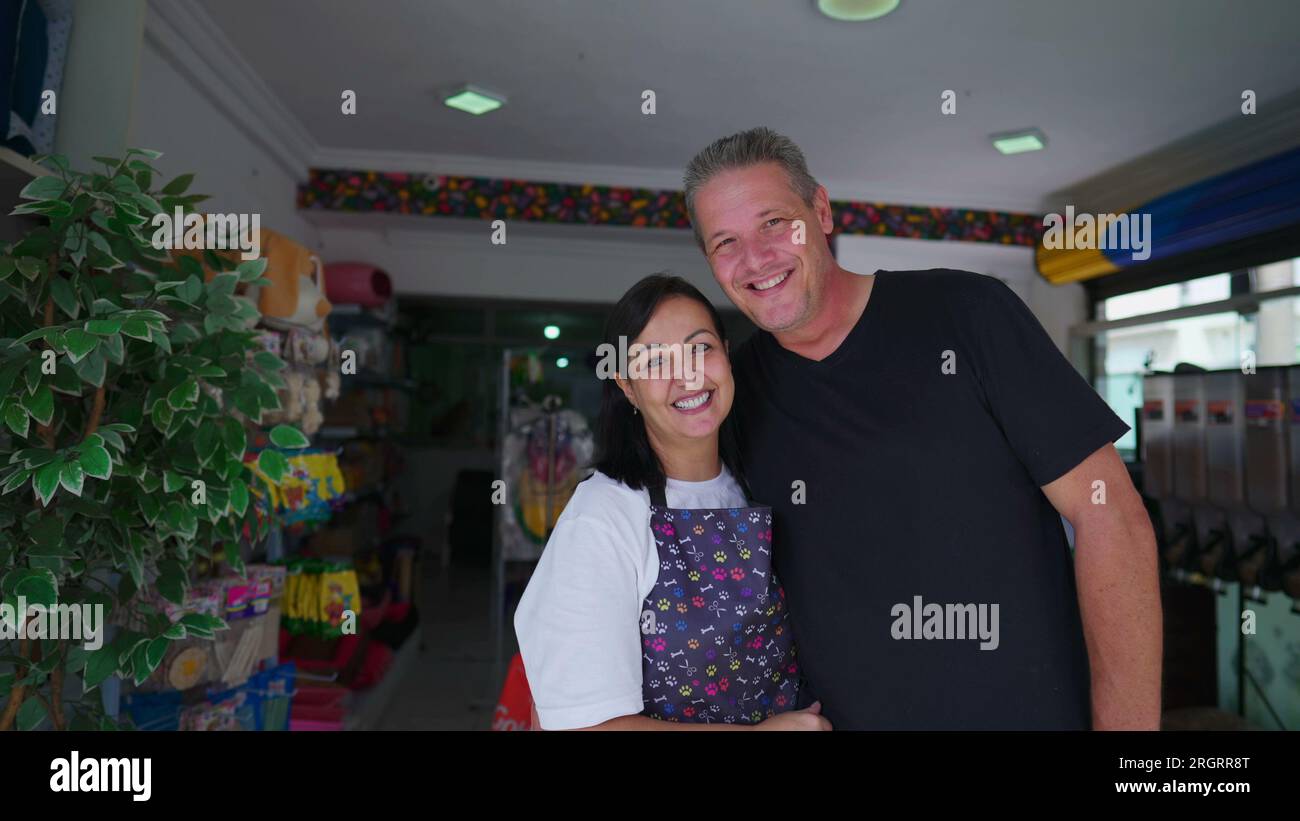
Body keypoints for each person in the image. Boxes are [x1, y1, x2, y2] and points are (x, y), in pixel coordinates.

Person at [683, 127, 1163, 730]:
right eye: (725, 242)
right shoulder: (730, 394)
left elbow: (1111, 518)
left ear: (822, 211)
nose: (755, 258)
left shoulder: (969, 314)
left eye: (774, 223)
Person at [513, 274, 830, 730]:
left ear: (726, 353)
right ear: (626, 386)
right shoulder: (603, 516)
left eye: (701, 348)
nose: (688, 376)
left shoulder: (758, 484)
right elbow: (582, 726)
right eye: (656, 361)